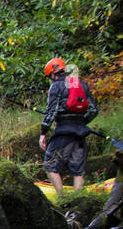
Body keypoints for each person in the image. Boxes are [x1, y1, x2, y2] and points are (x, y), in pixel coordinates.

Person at [40, 58, 99, 197]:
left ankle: (61, 199)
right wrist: (82, 122)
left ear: (53, 74)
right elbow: (94, 110)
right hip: (80, 132)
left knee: (50, 166)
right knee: (77, 170)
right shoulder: (81, 84)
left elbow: (51, 112)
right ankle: (79, 201)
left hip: (63, 132)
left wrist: (43, 133)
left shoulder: (56, 86)